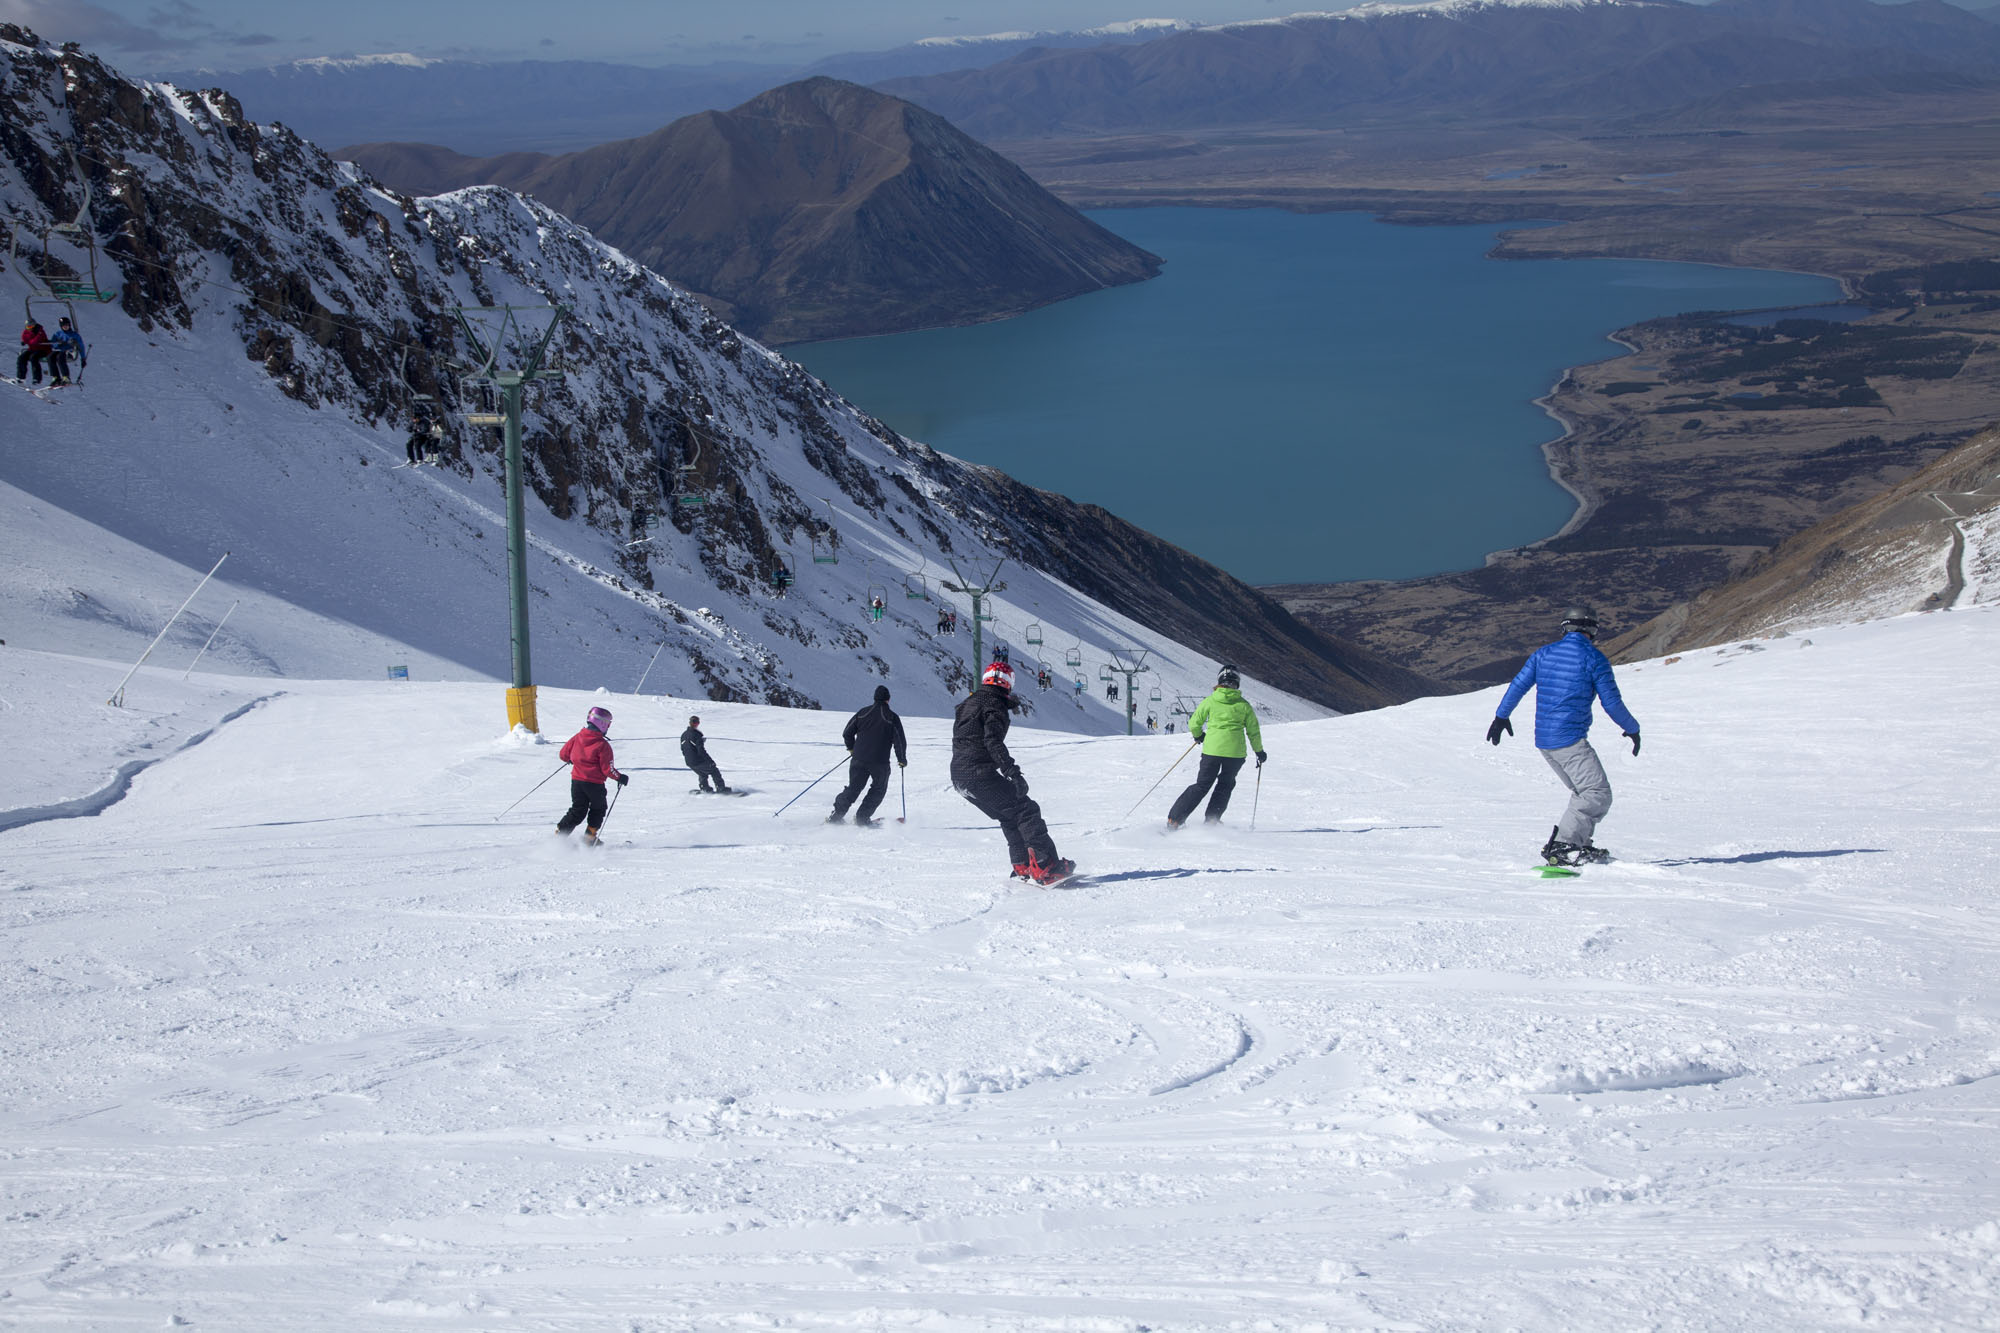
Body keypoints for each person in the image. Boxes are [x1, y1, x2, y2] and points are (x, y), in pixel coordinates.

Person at [1487, 605, 1641, 866]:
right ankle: (1564, 846)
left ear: (1565, 627)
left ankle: (1579, 844)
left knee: (1583, 791)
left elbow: (1518, 686)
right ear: (1592, 629)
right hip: (1569, 740)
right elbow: (1612, 703)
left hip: (1544, 741)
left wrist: (1501, 716)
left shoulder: (1543, 654)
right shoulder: (1594, 659)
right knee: (1596, 793)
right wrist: (1632, 728)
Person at [951, 659, 1074, 885]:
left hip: (960, 775)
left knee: (1009, 815)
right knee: (1026, 810)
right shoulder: (993, 703)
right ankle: (1045, 866)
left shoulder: (969, 703)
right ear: (1009, 684)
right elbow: (992, 741)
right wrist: (1012, 772)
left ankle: (1022, 866)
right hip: (978, 772)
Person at [1168, 666, 1266, 828]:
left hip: (1212, 751)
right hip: (1235, 753)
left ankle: (1175, 820)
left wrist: (1199, 735)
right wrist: (1259, 751)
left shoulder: (1210, 701)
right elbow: (1253, 731)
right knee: (1226, 784)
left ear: (1220, 681)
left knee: (1202, 785)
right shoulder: (1244, 705)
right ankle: (1212, 820)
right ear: (1237, 682)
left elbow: (1194, 723)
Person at [829, 685, 907, 826]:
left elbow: (847, 732)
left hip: (858, 759)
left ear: (874, 698)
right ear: (888, 699)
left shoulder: (862, 713)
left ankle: (836, 816)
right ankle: (862, 818)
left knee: (854, 788)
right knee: (878, 789)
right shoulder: (892, 717)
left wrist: (852, 748)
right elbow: (899, 741)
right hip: (879, 762)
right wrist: (901, 759)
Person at [556, 706, 627, 845]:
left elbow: (563, 755)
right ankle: (589, 838)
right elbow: (608, 769)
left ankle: (560, 835)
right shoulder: (602, 745)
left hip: (576, 782)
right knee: (598, 809)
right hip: (594, 784)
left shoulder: (578, 737)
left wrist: (573, 759)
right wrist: (620, 777)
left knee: (578, 809)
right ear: (603, 724)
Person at [681, 714, 729, 792]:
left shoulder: (684, 735)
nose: (697, 724)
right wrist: (710, 761)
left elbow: (683, 749)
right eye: (696, 722)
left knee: (702, 773)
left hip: (689, 762)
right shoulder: (696, 735)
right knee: (714, 770)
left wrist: (689, 758)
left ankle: (705, 788)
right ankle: (721, 788)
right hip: (696, 760)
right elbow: (701, 751)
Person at [47, 317, 84, 386]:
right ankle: (56, 377)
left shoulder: (74, 335)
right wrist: (58, 343)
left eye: (67, 325)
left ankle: (66, 377)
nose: (65, 327)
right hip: (60, 350)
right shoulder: (58, 334)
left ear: (69, 325)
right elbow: (53, 344)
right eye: (63, 325)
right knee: (50, 357)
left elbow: (81, 346)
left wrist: (83, 358)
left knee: (60, 357)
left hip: (70, 352)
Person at [16, 320, 51, 385]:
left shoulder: (40, 331)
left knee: (33, 358)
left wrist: (28, 341)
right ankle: (21, 377)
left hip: (43, 350)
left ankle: (37, 378)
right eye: (28, 327)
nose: (29, 328)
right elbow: (24, 337)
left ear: (34, 326)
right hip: (32, 349)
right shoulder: (26, 331)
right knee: (21, 357)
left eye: (31, 326)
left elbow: (36, 340)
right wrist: (25, 341)